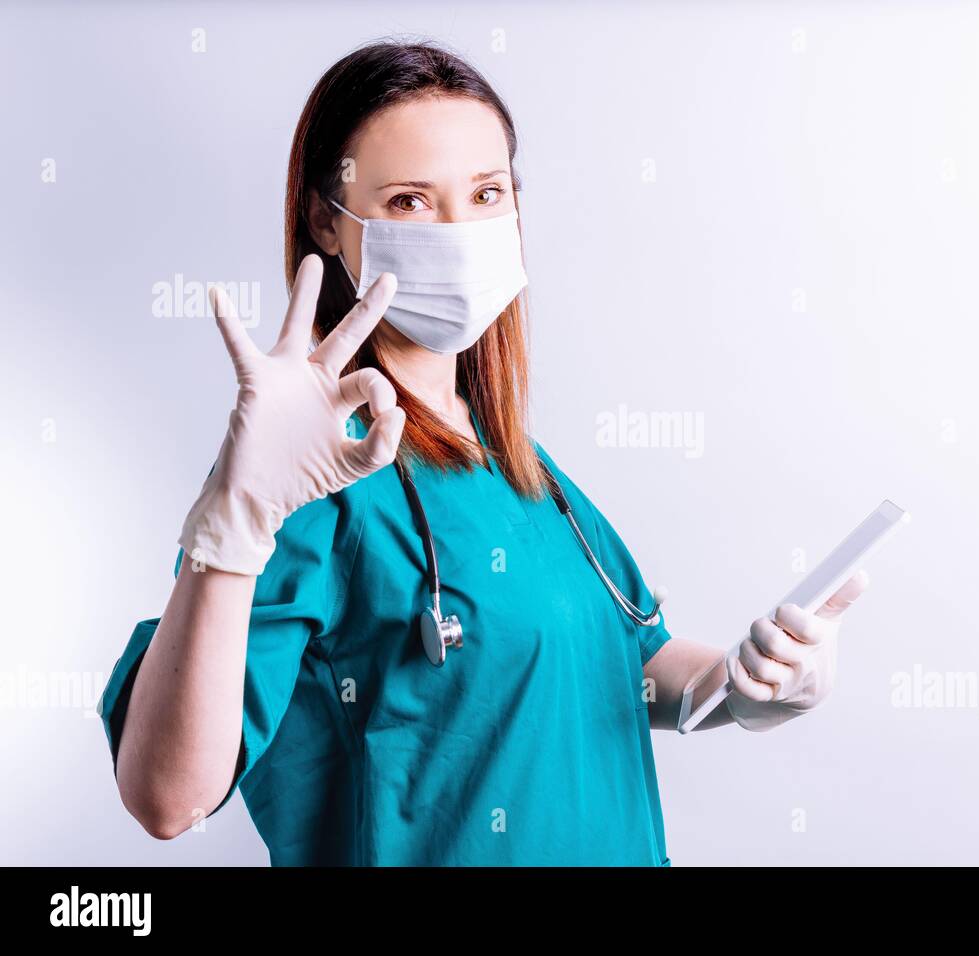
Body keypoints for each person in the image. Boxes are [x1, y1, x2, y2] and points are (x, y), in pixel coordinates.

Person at [98, 39, 870, 866]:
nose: (459, 232)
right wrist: (238, 518)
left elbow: (630, 666)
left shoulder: (515, 461)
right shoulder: (309, 475)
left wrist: (754, 686)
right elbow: (169, 797)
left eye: (485, 194)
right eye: (409, 200)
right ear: (327, 219)